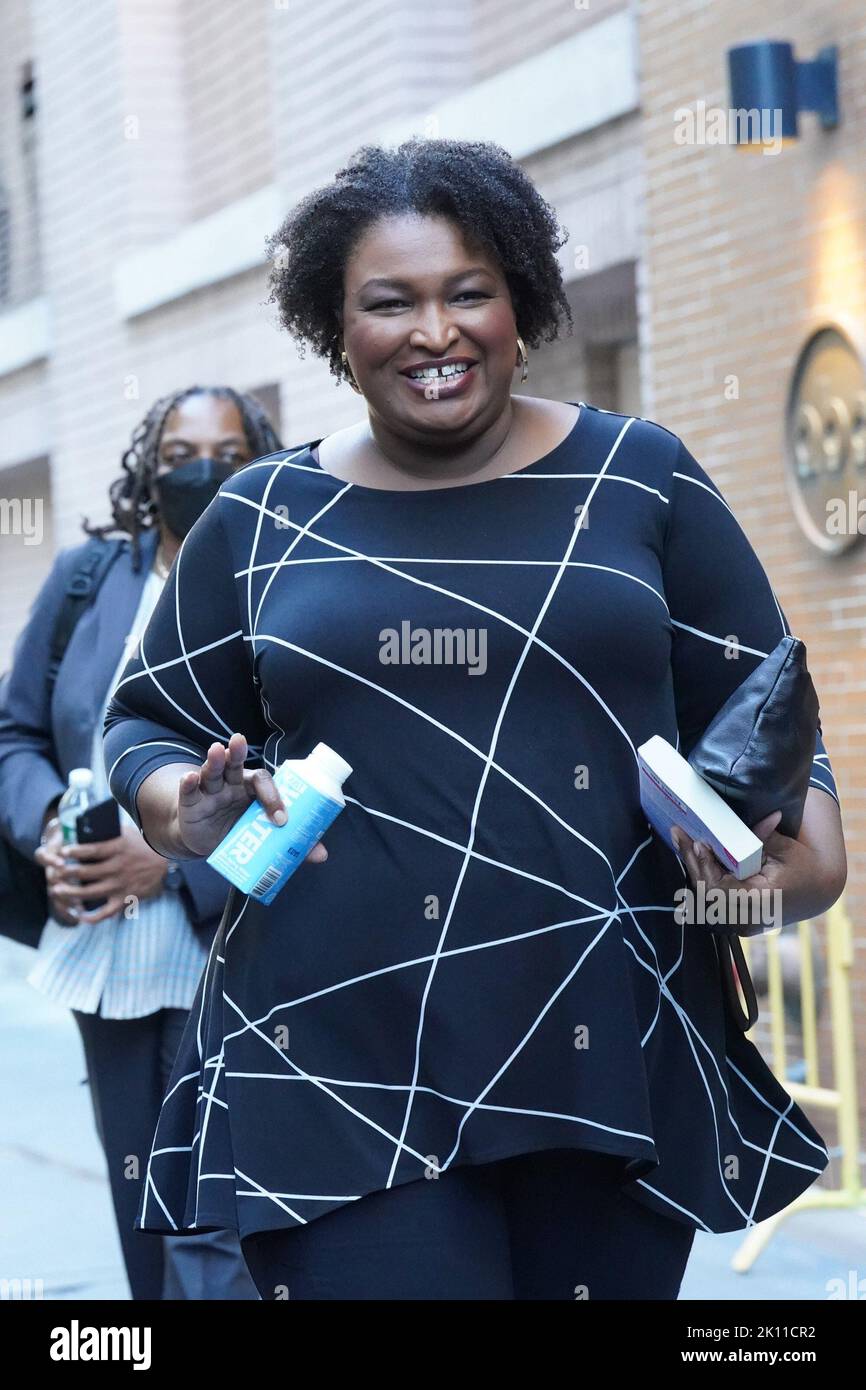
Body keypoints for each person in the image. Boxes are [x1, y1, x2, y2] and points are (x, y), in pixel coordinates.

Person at [102, 139, 847, 1301]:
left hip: (605, 1042)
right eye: (388, 302)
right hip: (334, 1056)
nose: (434, 332)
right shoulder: (262, 516)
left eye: (469, 292)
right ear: (332, 327)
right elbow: (142, 726)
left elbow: (765, 722)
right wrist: (179, 810)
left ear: (522, 303)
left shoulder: (637, 479)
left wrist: (766, 862)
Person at [0, 385, 280, 1300]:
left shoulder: (285, 579)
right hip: (105, 957)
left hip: (238, 950)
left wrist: (168, 863)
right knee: (139, 1211)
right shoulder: (89, 581)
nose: (200, 473)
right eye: (178, 455)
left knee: (216, 1223)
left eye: (227, 455)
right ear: (147, 471)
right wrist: (50, 825)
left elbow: (318, 774)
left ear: (260, 465)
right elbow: (16, 735)